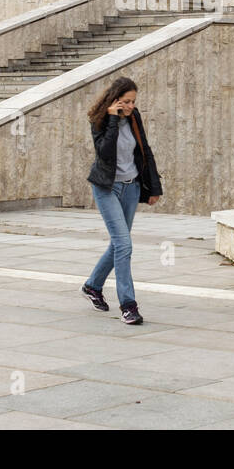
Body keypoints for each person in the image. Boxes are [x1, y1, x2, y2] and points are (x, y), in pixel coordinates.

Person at [81, 76, 162, 324]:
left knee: (119, 244)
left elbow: (144, 149)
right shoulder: (100, 120)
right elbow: (104, 153)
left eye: (133, 102)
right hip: (107, 188)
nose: (130, 107)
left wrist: (154, 187)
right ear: (115, 100)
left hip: (132, 188)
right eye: (125, 102)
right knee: (124, 245)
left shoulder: (135, 117)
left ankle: (93, 286)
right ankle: (128, 305)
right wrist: (114, 119)